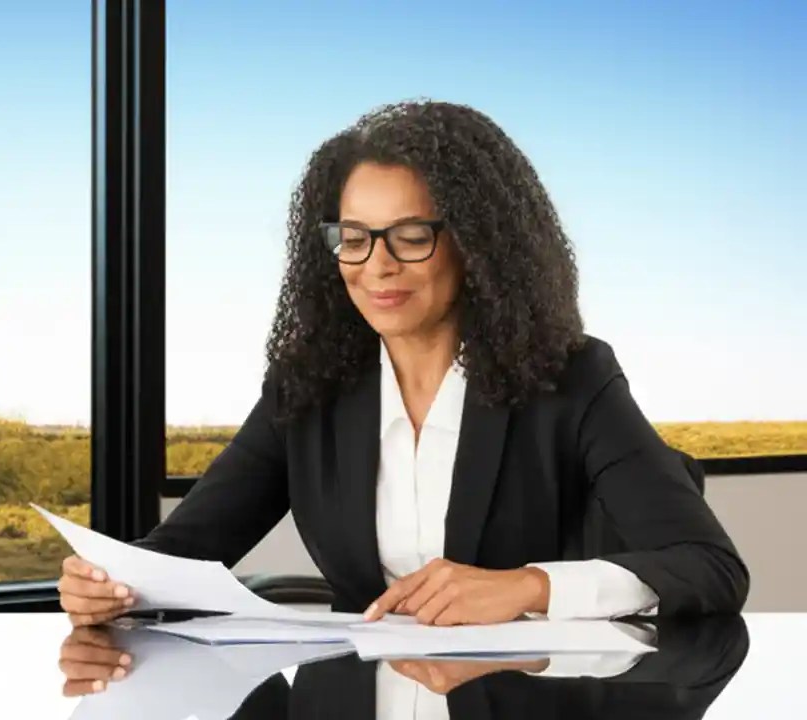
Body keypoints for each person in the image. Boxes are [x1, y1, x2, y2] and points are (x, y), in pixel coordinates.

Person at [57, 99, 749, 628]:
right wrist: (114, 583)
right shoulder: (309, 388)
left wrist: (528, 586)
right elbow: (187, 547)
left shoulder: (572, 379)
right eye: (353, 238)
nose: (377, 265)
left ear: (479, 245)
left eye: (412, 236)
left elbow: (709, 568)